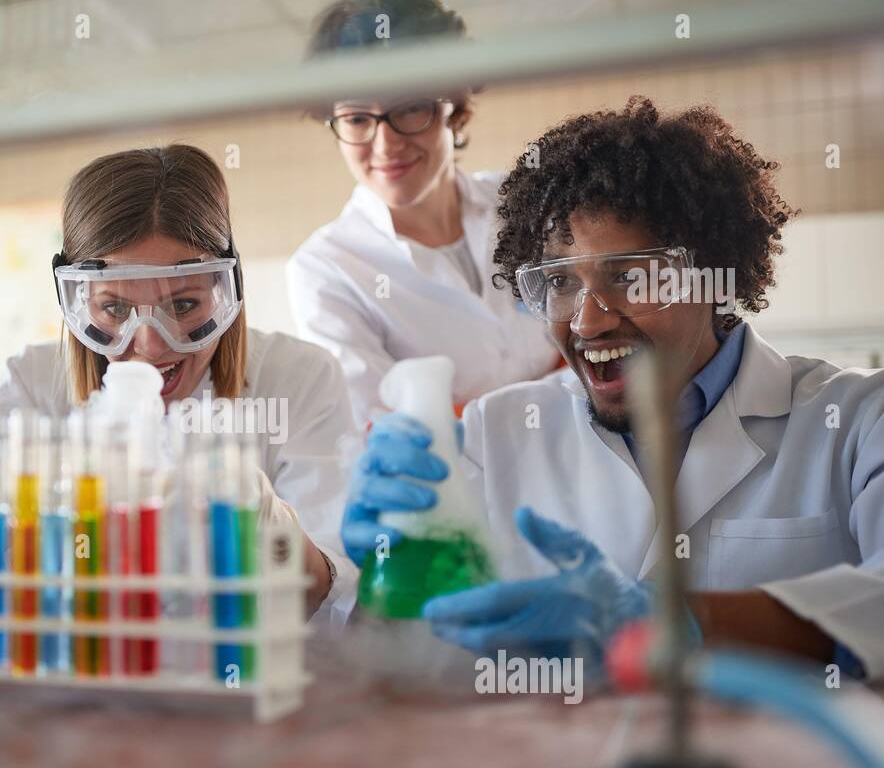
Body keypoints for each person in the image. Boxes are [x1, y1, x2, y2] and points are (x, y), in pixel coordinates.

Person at [343, 97, 884, 676]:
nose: (587, 321)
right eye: (559, 282)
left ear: (714, 272)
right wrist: (383, 567)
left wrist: (675, 624)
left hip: (792, 765)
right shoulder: (486, 436)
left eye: (629, 277)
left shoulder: (855, 421)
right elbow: (390, 665)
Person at [0, 145, 358, 623]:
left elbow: (335, 606)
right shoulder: (33, 385)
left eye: (183, 306)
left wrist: (270, 529)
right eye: (115, 309)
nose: (149, 345)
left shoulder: (300, 376)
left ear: (226, 291)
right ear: (77, 301)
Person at [287, 0, 557, 430]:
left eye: (410, 108)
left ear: (454, 106)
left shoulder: (526, 199)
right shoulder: (327, 270)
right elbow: (392, 431)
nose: (386, 143)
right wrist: (557, 388)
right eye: (357, 118)